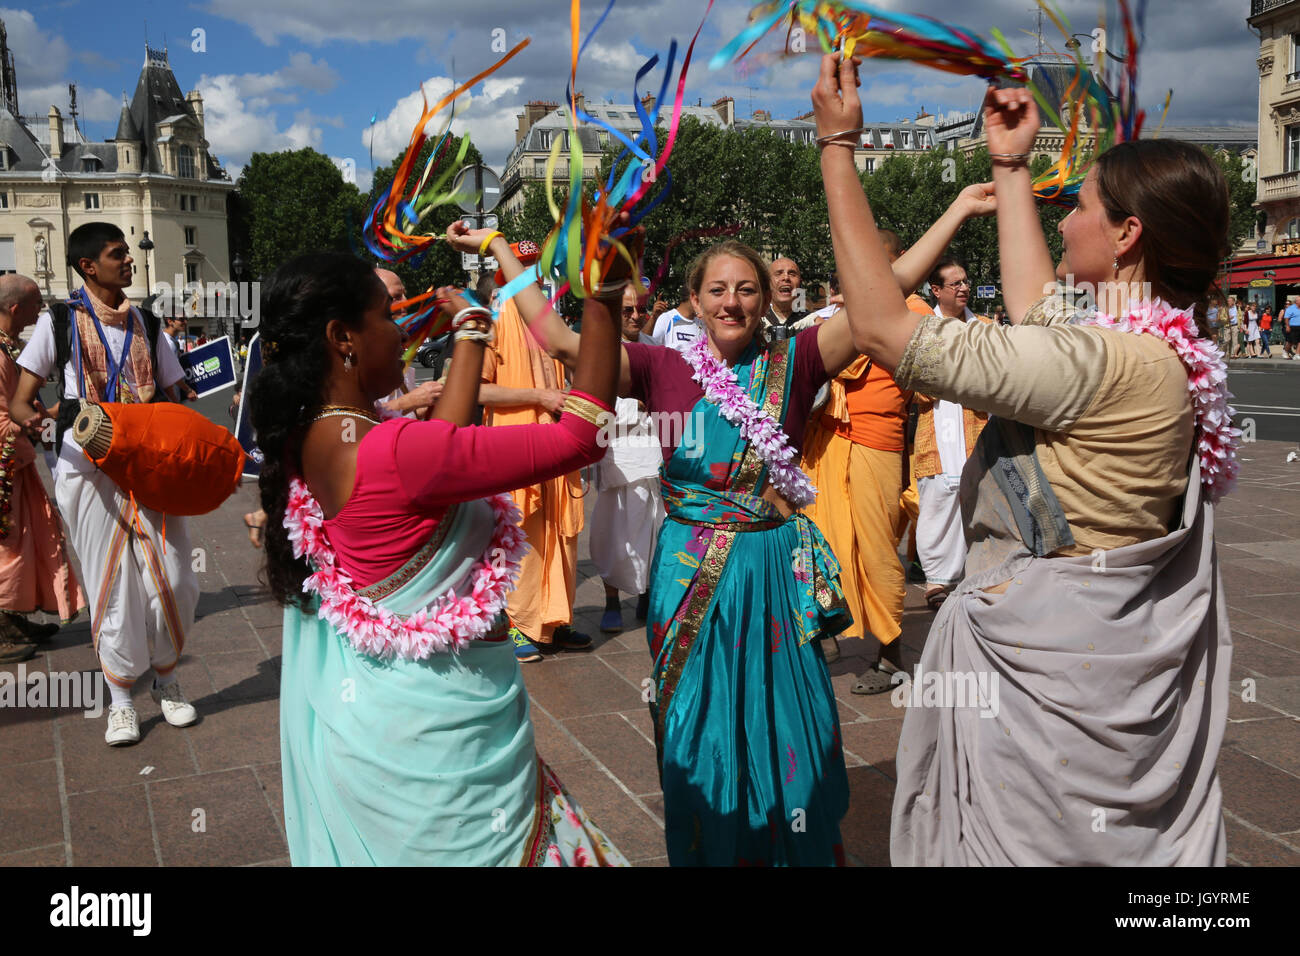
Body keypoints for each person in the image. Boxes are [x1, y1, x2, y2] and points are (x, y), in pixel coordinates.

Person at [814, 53, 1235, 864]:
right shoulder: (1150, 352)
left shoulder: (1111, 364)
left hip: (1044, 686)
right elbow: (1040, 312)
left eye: (1076, 206)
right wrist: (1010, 165)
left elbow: (876, 325)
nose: (1065, 219)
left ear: (1127, 234)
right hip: (1092, 674)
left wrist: (838, 147)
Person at [476, 219, 900, 865]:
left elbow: (878, 300)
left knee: (790, 723)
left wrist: (958, 211)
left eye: (749, 290)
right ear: (695, 300)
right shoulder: (657, 364)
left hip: (772, 574)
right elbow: (563, 341)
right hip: (689, 572)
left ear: (763, 299)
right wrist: (507, 254)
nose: (734, 302)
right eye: (719, 290)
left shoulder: (799, 357)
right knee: (696, 726)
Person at [251, 240, 633, 866]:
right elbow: (584, 434)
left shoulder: (321, 432)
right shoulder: (391, 449)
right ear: (342, 336)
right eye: (386, 317)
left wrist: (471, 328)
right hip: (450, 746)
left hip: (395, 730)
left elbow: (439, 443)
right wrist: (605, 298)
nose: (400, 332)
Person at [10, 223, 200, 746]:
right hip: (87, 471)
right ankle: (121, 699)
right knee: (112, 584)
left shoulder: (147, 321)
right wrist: (58, 430)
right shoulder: (60, 321)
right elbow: (20, 403)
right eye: (119, 254)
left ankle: (166, 679)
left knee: (176, 578)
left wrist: (188, 392)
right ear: (88, 266)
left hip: (146, 466)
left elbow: (172, 389)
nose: (130, 261)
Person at [802, 211, 995, 693]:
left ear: (899, 262)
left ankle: (889, 654)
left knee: (878, 549)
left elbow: (853, 360)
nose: (861, 268)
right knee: (823, 538)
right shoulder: (852, 309)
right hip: (829, 438)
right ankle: (827, 628)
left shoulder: (914, 313)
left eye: (874, 260)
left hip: (876, 441)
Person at [475, 260, 590, 662]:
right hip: (514, 445)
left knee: (562, 530)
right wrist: (539, 399)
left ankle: (554, 621)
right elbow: (477, 391)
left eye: (537, 279)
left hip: (557, 447)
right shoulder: (492, 319)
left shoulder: (550, 321)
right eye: (526, 278)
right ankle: (517, 624)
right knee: (522, 531)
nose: (535, 286)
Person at [0, 275, 86, 660]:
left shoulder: (6, 351)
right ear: (17, 310)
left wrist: (57, 416)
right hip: (6, 468)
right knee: (9, 546)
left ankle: (13, 618)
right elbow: (8, 419)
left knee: (23, 539)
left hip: (16, 465)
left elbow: (23, 412)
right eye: (38, 305)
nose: (42, 313)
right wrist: (48, 421)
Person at [912, 256, 990, 610]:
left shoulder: (985, 327)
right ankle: (936, 580)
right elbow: (909, 382)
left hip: (978, 426)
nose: (963, 288)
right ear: (936, 290)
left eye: (965, 281)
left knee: (980, 497)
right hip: (937, 426)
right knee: (937, 501)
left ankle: (975, 575)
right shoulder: (920, 327)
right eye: (955, 283)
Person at [591, 286, 664, 632]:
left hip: (654, 455)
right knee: (614, 534)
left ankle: (648, 596)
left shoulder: (655, 349)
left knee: (655, 531)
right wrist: (638, 405)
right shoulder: (598, 350)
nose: (636, 316)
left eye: (642, 310)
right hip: (619, 458)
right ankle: (611, 602)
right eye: (627, 311)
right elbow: (591, 412)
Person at [373, 267, 443, 420]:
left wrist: (432, 397)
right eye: (396, 297)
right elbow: (353, 424)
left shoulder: (403, 368)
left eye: (404, 294)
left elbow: (409, 414)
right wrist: (411, 400)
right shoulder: (352, 368)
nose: (406, 302)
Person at [762, 256, 812, 340]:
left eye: (792, 274)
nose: (786, 278)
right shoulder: (756, 323)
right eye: (778, 273)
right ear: (768, 283)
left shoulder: (813, 322)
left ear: (800, 283)